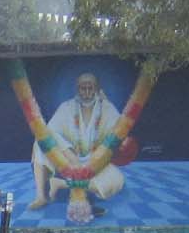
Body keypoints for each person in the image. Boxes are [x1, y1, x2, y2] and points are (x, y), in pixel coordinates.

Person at [29, 71, 126, 211]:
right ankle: (41, 197)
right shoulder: (66, 107)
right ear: (77, 89)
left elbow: (118, 134)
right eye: (82, 88)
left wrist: (100, 157)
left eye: (90, 87)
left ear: (97, 89)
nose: (86, 92)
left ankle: (60, 184)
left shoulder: (107, 108)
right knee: (40, 143)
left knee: (117, 180)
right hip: (68, 159)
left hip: (96, 161)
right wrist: (70, 155)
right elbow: (49, 132)